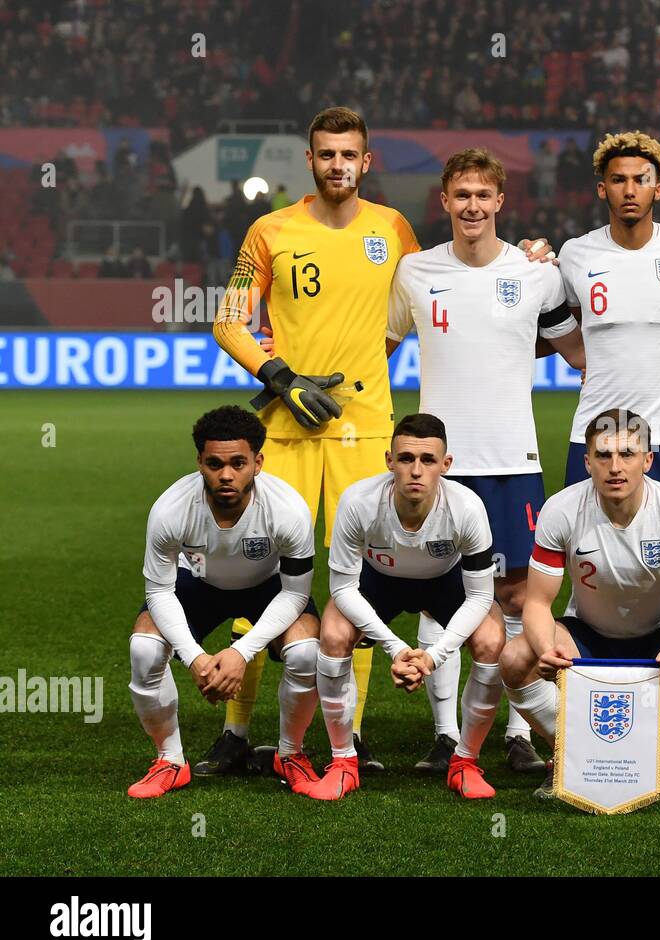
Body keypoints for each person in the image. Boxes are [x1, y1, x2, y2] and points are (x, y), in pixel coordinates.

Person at [205, 106, 421, 775]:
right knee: (262, 581)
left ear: (366, 160)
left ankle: (344, 739)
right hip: (285, 433)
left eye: (348, 154)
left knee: (359, 587)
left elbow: (420, 301)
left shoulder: (394, 228)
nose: (338, 165)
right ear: (309, 160)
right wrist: (281, 375)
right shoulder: (270, 230)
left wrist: (368, 357)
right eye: (326, 154)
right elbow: (228, 317)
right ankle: (238, 733)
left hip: (368, 433)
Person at [386, 148, 584, 775]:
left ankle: (520, 732)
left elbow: (578, 351)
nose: (472, 206)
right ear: (443, 202)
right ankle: (447, 736)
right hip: (441, 464)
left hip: (513, 458)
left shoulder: (537, 274)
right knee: (434, 592)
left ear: (501, 202)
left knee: (520, 592)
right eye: (460, 195)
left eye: (483, 195)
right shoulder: (413, 271)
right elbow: (377, 348)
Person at [499, 410, 660, 802]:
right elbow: (538, 603)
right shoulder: (561, 510)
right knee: (514, 658)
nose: (616, 467)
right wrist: (547, 649)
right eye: (603, 455)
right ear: (587, 461)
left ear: (647, 460)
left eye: (628, 454)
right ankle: (569, 754)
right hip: (588, 638)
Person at [127, 407, 319, 798]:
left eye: (238, 463)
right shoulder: (170, 510)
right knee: (144, 649)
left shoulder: (289, 510)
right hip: (198, 584)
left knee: (306, 653)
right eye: (215, 464)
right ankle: (170, 760)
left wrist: (241, 652)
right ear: (199, 462)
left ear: (258, 462)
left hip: (270, 587)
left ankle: (290, 753)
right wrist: (196, 658)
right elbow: (159, 592)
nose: (227, 475)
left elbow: (296, 592)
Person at [312, 414, 506, 800]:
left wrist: (433, 657)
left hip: (445, 583)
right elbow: (343, 589)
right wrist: (396, 648)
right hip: (378, 581)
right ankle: (343, 761)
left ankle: (465, 762)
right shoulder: (358, 501)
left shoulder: (467, 507)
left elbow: (482, 596)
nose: (416, 470)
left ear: (445, 465)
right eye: (405, 458)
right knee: (333, 633)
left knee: (491, 639)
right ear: (389, 460)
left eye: (428, 460)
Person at [555, 131, 660, 505]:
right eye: (618, 180)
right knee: (587, 549)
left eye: (640, 180)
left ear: (657, 189)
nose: (629, 190)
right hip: (595, 431)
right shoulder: (576, 253)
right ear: (601, 189)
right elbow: (568, 325)